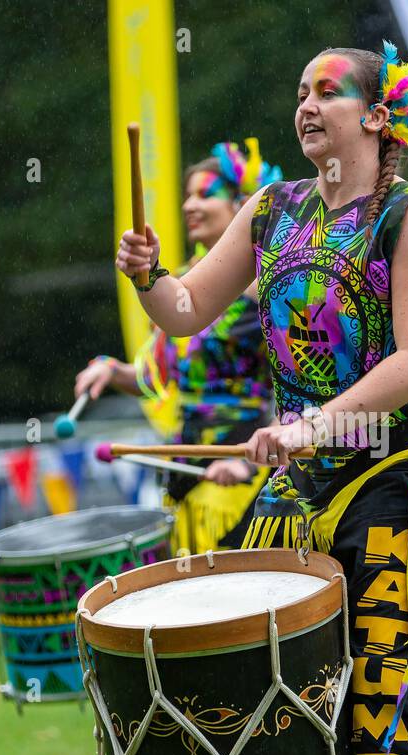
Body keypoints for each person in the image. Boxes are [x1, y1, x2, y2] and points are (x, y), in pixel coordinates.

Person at [115, 42, 408, 755]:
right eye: (301, 91)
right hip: (300, 485)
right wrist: (150, 279)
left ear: (377, 115)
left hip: (395, 479)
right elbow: (184, 312)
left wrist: (314, 424)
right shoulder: (272, 209)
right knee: (232, 673)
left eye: (328, 90)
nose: (307, 105)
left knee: (382, 697)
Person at [76, 140, 280, 554]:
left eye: (205, 194)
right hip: (187, 473)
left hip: (247, 472)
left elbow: (298, 386)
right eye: (187, 194)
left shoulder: (267, 285)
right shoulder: (178, 286)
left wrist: (249, 460)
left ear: (242, 204)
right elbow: (158, 378)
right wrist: (113, 372)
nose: (189, 205)